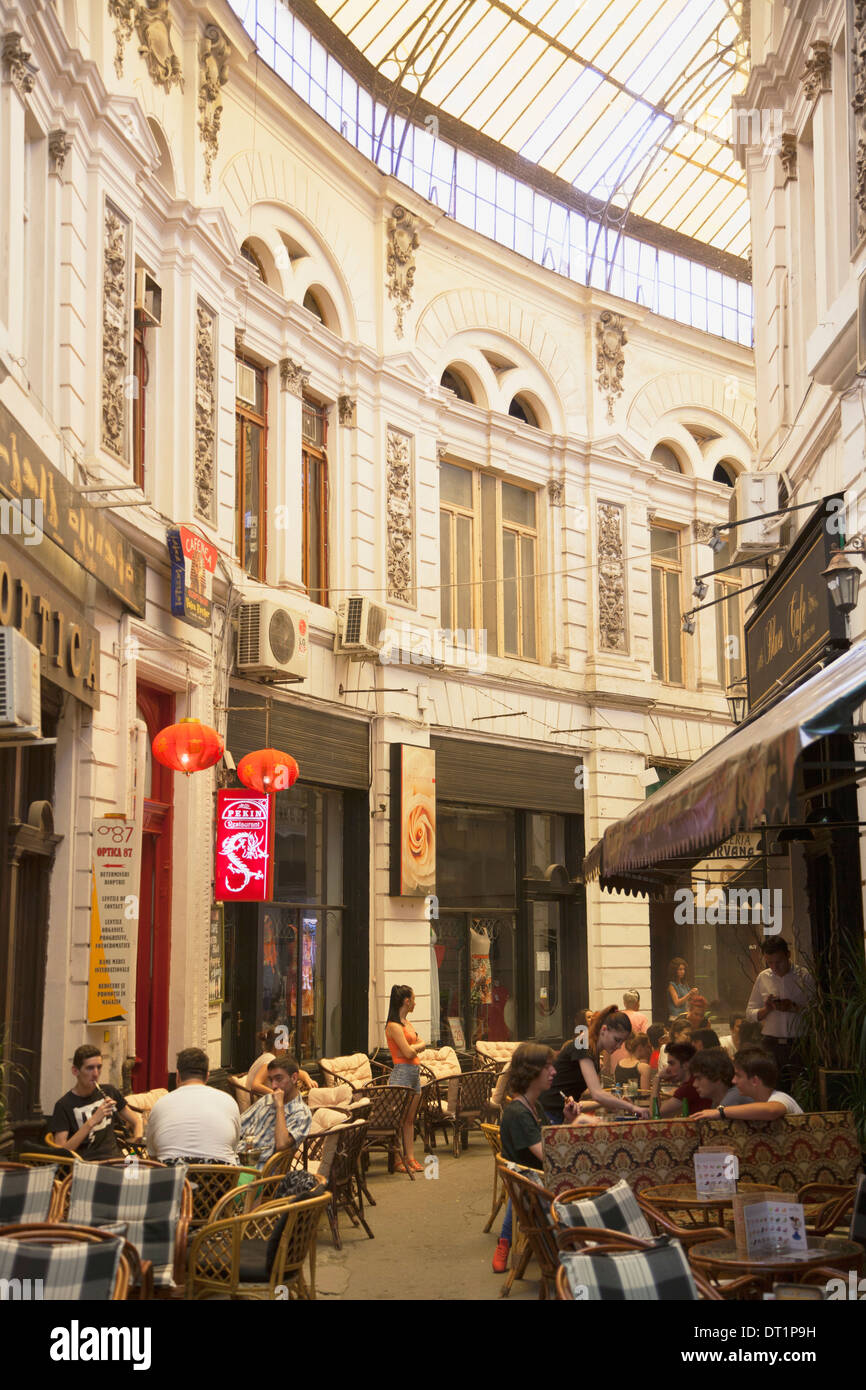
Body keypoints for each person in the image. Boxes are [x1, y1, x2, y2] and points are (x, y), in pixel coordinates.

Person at [493, 1043, 555, 1273]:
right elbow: (549, 1157)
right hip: (532, 1186)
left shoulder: (532, 1105)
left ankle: (506, 1241)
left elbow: (550, 1142)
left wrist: (569, 1121)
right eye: (548, 1067)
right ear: (531, 1072)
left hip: (531, 1180)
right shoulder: (519, 1112)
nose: (554, 1072)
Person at [145, 1047, 240, 1164]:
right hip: (221, 1179)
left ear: (178, 1076)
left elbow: (152, 1154)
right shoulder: (229, 1102)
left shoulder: (160, 1105)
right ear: (207, 1076)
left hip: (174, 1180)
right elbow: (233, 1148)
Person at [745, 938, 813, 1089]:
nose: (774, 967)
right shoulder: (763, 977)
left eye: (779, 962)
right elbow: (749, 1014)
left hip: (799, 1043)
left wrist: (793, 1007)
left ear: (788, 955)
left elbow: (817, 1012)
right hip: (771, 1044)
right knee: (772, 1089)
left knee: (803, 1089)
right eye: (770, 963)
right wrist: (767, 1009)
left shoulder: (804, 976)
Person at [560, 1006, 650, 1120]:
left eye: (622, 1042)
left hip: (562, 1113)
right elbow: (597, 1094)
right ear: (603, 1030)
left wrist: (613, 1102)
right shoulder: (583, 1044)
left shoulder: (592, 1049)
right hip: (552, 1114)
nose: (618, 1046)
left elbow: (580, 1103)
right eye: (617, 1040)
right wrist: (632, 1107)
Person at [52, 1046, 142, 1159]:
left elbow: (136, 1121)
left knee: (143, 1172)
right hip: (89, 1166)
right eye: (89, 1068)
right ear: (75, 1071)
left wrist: (136, 1144)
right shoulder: (64, 1105)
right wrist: (92, 1121)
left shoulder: (109, 1091)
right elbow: (60, 1153)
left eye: (99, 1067)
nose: (95, 1073)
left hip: (117, 1160)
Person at [238, 1053, 311, 1167]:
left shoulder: (302, 1113)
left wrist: (280, 1106)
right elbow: (238, 1125)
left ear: (294, 1078)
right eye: (271, 1080)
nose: (273, 1086)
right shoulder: (267, 1100)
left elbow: (281, 1144)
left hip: (257, 1173)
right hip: (236, 1160)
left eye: (278, 1079)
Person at [385, 984, 425, 1174]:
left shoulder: (407, 1024)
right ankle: (397, 1159)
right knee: (398, 1119)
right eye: (414, 999)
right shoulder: (393, 1026)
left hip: (414, 1073)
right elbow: (408, 1051)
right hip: (401, 1072)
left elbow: (415, 1046)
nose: (415, 1003)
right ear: (406, 1001)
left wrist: (416, 1046)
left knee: (410, 1119)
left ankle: (410, 1158)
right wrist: (418, 1046)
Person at [700, 1048, 804, 1121]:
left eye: (738, 1076)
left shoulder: (780, 1098)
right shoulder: (756, 1102)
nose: (733, 1081)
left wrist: (721, 1112)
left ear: (754, 1081)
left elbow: (771, 1111)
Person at [247, 1028, 317, 1098]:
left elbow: (294, 1071)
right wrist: (276, 1094)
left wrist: (307, 1078)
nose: (288, 1045)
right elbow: (255, 1085)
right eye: (285, 1042)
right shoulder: (269, 1059)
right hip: (258, 1102)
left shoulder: (268, 1057)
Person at [651, 1041, 708, 1116]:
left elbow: (654, 1114)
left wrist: (657, 1079)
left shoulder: (689, 1087)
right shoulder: (692, 1082)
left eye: (672, 1064)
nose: (668, 1069)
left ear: (685, 1065)